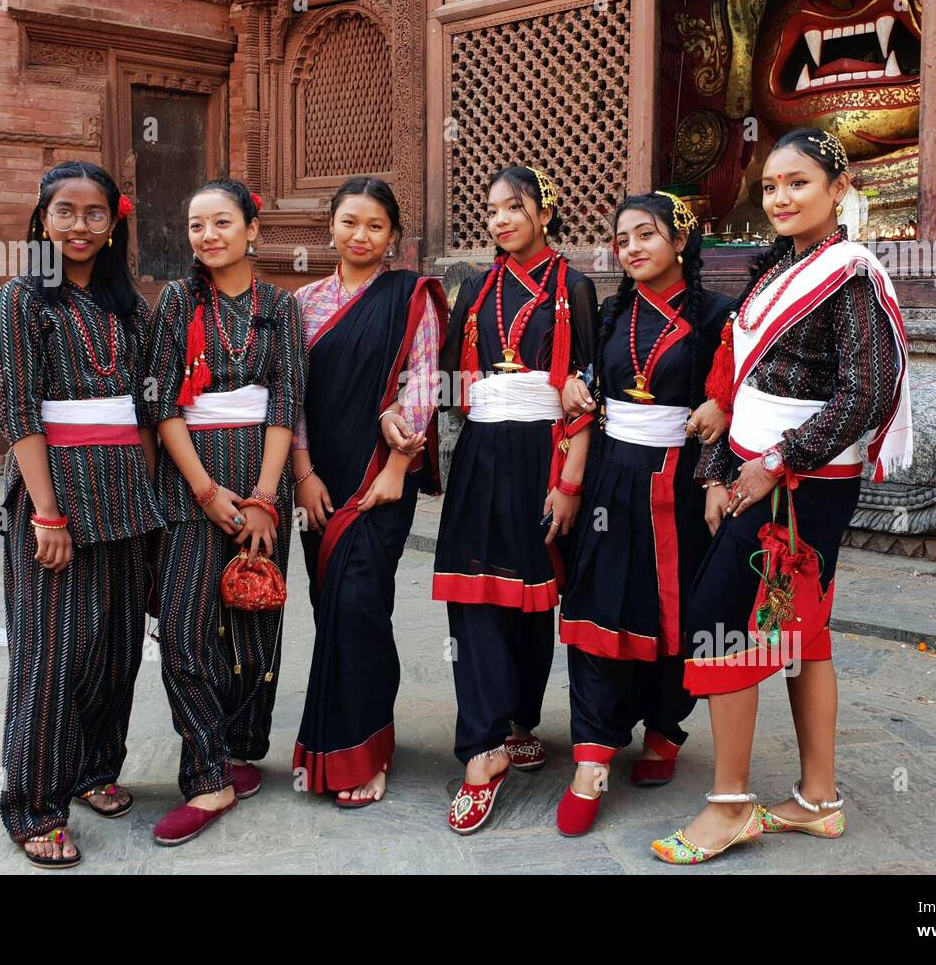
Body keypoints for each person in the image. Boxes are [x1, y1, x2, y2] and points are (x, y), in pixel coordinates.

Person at [652, 128, 912, 864]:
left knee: (722, 619)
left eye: (798, 182)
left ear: (839, 188)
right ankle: (819, 798)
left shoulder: (849, 275)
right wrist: (716, 467)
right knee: (804, 631)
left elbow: (866, 394)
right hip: (752, 469)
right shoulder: (778, 271)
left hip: (802, 485)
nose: (780, 197)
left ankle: (731, 803)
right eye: (769, 185)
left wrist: (772, 463)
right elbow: (733, 384)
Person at [0, 161, 165, 868]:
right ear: (41, 218)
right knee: (52, 651)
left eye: (96, 213)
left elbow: (149, 408)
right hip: (54, 488)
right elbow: (17, 408)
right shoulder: (21, 299)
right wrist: (46, 513)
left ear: (114, 221)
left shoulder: (132, 306)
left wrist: (150, 498)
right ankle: (33, 802)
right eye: (66, 211)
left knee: (117, 646)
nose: (81, 227)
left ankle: (94, 769)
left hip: (125, 490)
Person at [553, 191, 733, 836]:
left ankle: (664, 726)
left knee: (675, 608)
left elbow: (737, 383)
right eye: (623, 238)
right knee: (599, 605)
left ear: (681, 242)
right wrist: (577, 386)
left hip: (681, 482)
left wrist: (723, 408)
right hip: (610, 476)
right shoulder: (609, 313)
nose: (631, 248)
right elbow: (588, 385)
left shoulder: (718, 314)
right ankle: (593, 758)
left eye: (646, 235)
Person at [434, 165, 598, 834]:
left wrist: (570, 481)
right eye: (492, 209)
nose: (501, 220)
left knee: (532, 595)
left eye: (514, 207)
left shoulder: (576, 288)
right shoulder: (476, 286)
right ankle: (482, 747)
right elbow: (448, 372)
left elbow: (590, 385)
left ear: (543, 212)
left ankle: (519, 720)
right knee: (471, 590)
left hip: (543, 454)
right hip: (480, 448)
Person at [143, 178, 305, 846]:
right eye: (195, 225)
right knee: (183, 628)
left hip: (262, 481)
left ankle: (236, 750)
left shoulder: (280, 306)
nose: (208, 236)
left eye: (221, 223)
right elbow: (160, 404)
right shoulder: (178, 301)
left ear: (251, 230)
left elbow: (285, 402)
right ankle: (206, 776)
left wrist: (265, 497)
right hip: (192, 481)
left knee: (251, 623)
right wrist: (208, 492)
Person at [290, 177, 448, 807]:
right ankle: (352, 737)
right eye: (350, 222)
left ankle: (362, 751)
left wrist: (394, 468)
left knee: (360, 606)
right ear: (330, 226)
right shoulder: (300, 305)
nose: (361, 235)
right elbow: (291, 399)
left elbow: (423, 383)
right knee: (329, 607)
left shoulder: (413, 297)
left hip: (381, 481)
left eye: (376, 225)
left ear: (393, 236)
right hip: (318, 482)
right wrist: (302, 477)